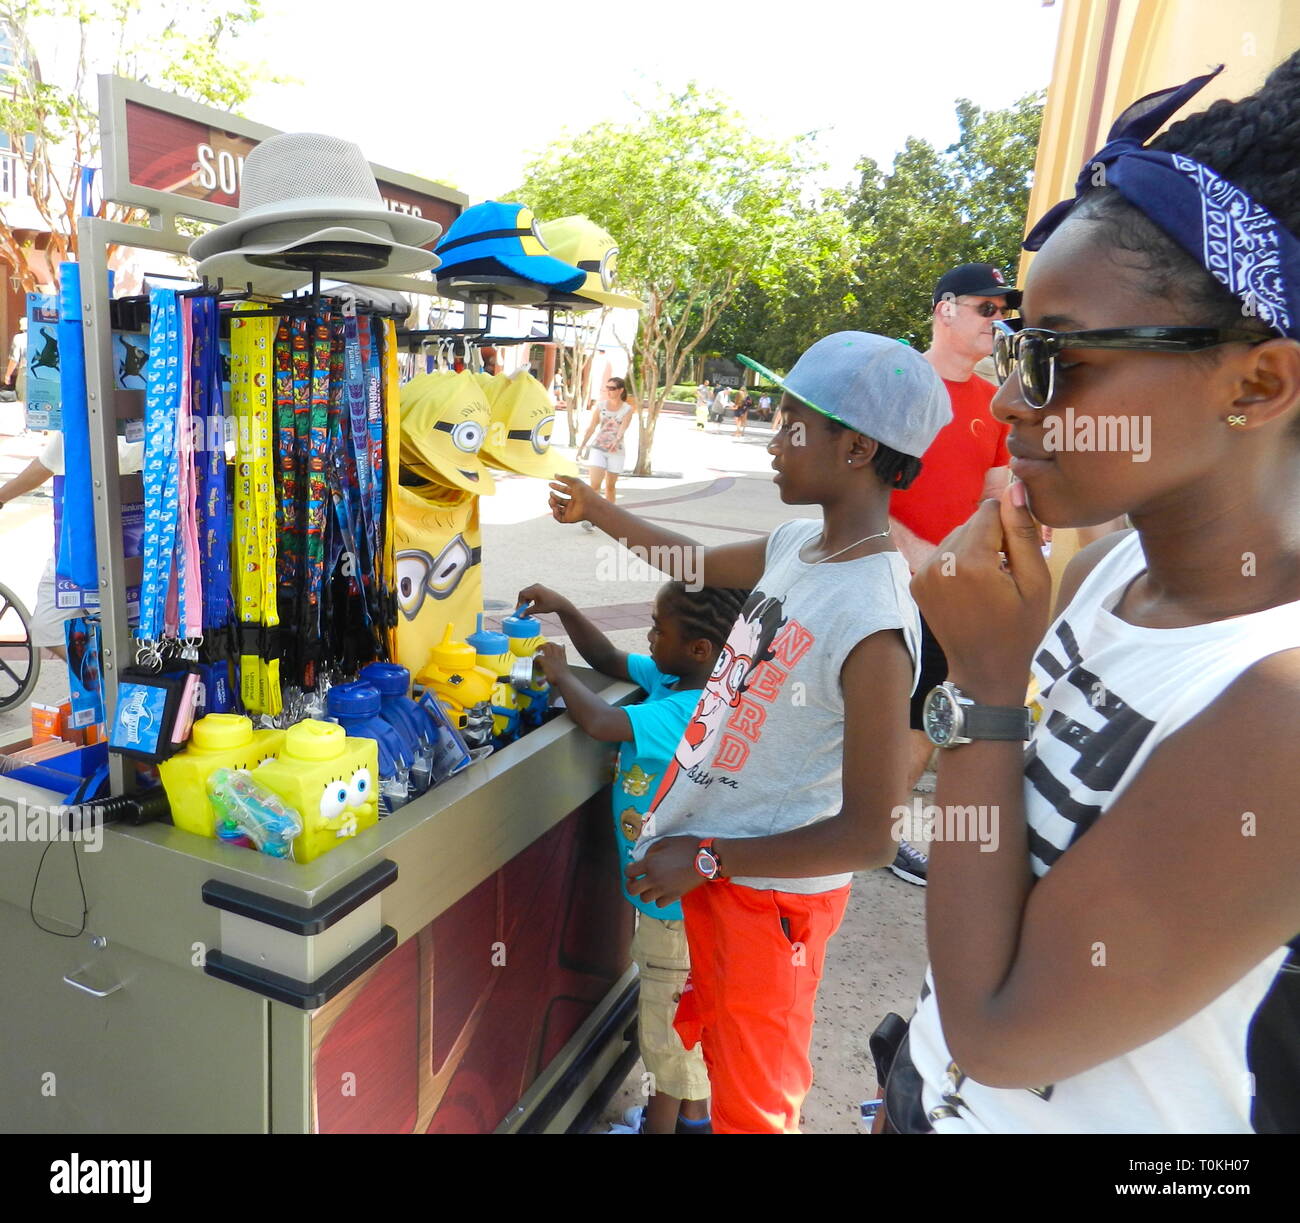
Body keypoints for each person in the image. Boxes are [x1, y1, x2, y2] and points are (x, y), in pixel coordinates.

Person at [891, 54, 1300, 1134]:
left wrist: (985, 690)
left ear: (1257, 383)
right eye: (1014, 348)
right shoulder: (1104, 569)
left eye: (1060, 358)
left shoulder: (1277, 701)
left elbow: (1000, 1032)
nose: (1010, 403)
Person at [549, 331, 951, 1133]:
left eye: (792, 424)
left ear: (857, 447)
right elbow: (694, 565)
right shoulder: (800, 546)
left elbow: (871, 835)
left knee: (757, 1105)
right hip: (727, 880)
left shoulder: (873, 620)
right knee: (721, 1064)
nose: (773, 439)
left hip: (771, 906)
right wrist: (598, 509)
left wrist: (707, 856)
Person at [518, 579, 749, 1134]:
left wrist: (561, 674)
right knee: (683, 1025)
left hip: (675, 916)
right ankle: (692, 1121)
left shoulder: (691, 711)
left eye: (658, 630)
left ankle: (661, 1126)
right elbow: (608, 658)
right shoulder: (678, 678)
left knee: (667, 1036)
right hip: (674, 903)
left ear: (700, 648)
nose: (649, 638)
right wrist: (565, 607)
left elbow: (601, 722)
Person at [885, 262, 1019, 886]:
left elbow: (993, 496)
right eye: (986, 308)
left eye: (1003, 311)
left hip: (945, 593)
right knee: (841, 705)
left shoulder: (996, 404)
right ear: (945, 310)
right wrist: (919, 557)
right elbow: (859, 481)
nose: (998, 321)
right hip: (877, 579)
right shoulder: (896, 382)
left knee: (922, 715)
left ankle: (879, 834)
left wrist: (994, 556)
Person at [0, 430, 142, 660]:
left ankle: (101, 677)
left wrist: (2, 497)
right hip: (135, 536)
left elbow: (44, 465)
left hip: (81, 542)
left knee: (49, 624)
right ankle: (103, 675)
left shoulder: (80, 425)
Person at [577, 376, 637, 515]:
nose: (608, 391)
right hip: (598, 448)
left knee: (610, 487)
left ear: (621, 390)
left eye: (612, 388)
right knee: (594, 486)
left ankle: (609, 516)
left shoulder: (627, 409)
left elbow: (623, 428)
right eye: (607, 388)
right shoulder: (601, 406)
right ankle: (591, 515)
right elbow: (592, 427)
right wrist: (582, 446)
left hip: (616, 451)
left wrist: (616, 439)